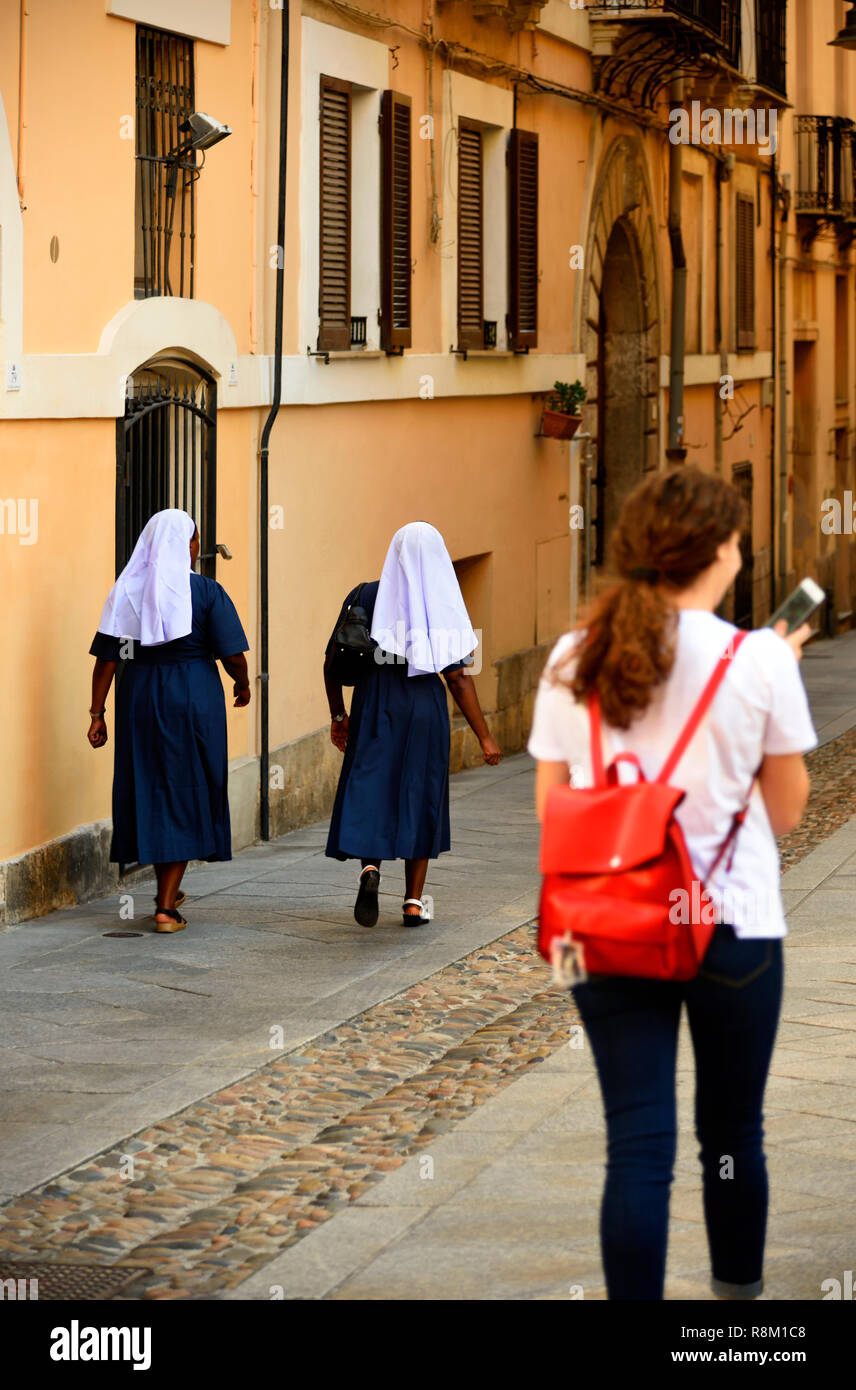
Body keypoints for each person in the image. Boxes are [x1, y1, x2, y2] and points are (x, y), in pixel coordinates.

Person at [528, 466, 816, 1301]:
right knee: (732, 1132)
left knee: (637, 1146)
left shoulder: (572, 658)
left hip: (603, 928)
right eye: (733, 539)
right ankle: (734, 1320)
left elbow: (552, 810)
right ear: (719, 553)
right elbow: (789, 809)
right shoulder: (757, 657)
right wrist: (769, 680)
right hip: (733, 921)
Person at [324, 521, 501, 927]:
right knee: (420, 794)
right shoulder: (440, 603)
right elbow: (457, 676)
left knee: (373, 787)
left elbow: (333, 662)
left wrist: (338, 715)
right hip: (422, 708)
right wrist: (485, 736)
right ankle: (413, 902)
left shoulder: (364, 594)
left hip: (374, 703)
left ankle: (370, 869)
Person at [88, 509, 251, 933]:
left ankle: (167, 890)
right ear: (186, 545)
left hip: (140, 696)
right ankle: (165, 908)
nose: (197, 549)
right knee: (189, 787)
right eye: (195, 541)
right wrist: (243, 683)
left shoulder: (127, 592)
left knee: (150, 785)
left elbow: (108, 658)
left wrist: (96, 713)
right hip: (193, 697)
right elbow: (232, 654)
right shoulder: (206, 592)